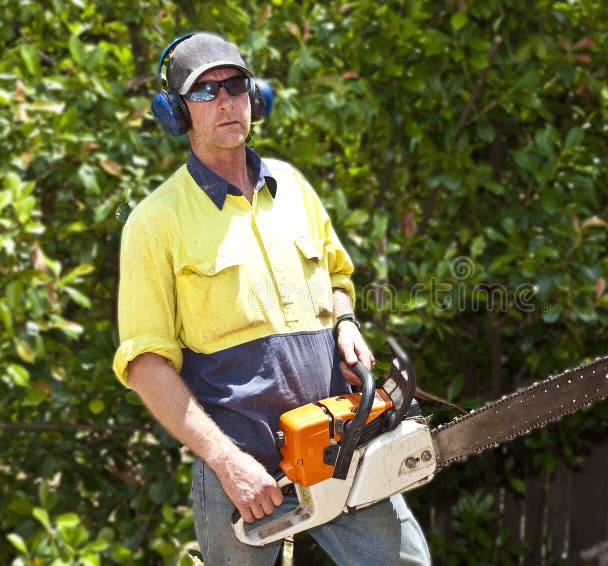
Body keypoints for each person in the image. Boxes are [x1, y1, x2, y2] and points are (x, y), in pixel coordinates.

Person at [112, 32, 430, 565]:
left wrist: (346, 321)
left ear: (255, 97)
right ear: (176, 113)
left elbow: (336, 275)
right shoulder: (154, 222)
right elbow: (146, 365)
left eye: (234, 86)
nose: (225, 102)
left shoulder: (293, 188)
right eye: (204, 92)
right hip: (241, 466)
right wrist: (226, 461)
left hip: (336, 444)